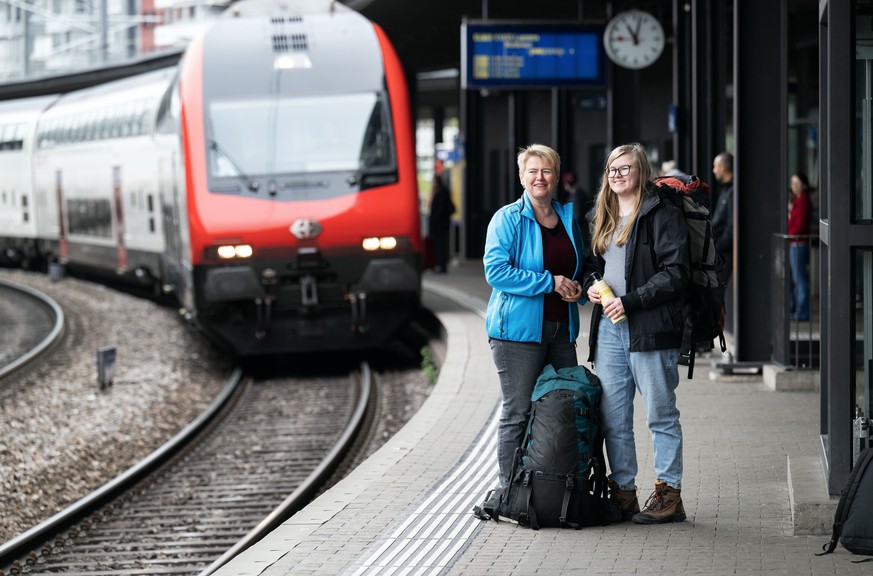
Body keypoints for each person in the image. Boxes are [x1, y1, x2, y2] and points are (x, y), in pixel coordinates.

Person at [581, 142, 690, 524]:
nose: (617, 175)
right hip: (610, 331)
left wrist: (631, 302)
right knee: (613, 416)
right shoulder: (603, 213)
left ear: (641, 171)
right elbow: (591, 265)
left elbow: (677, 274)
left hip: (650, 328)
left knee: (660, 413)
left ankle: (669, 495)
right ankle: (623, 491)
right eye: (612, 169)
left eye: (625, 168)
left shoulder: (662, 211)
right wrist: (592, 284)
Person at [483, 143, 587, 488]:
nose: (539, 177)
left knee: (564, 406)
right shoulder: (507, 218)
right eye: (532, 171)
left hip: (561, 329)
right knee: (518, 412)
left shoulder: (570, 217)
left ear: (556, 176)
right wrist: (549, 282)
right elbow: (496, 272)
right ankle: (508, 488)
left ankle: (554, 484)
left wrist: (579, 287)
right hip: (517, 333)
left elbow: (582, 266)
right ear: (521, 177)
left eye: (546, 171)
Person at [788, 172, 812, 321]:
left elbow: (799, 226)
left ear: (804, 185)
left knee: (800, 280)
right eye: (792, 184)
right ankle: (799, 309)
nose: (794, 187)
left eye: (797, 183)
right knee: (798, 279)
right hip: (795, 243)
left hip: (799, 244)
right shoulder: (798, 201)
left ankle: (802, 312)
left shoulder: (803, 201)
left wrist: (790, 230)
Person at [711, 151, 734, 284]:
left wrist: (718, 248)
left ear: (723, 167)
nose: (714, 171)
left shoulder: (732, 191)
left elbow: (731, 226)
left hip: (724, 252)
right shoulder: (726, 190)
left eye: (716, 166)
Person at [427, 173, 455, 273]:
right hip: (442, 224)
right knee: (441, 246)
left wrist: (433, 220)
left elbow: (439, 210)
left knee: (440, 246)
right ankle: (441, 265)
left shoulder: (440, 193)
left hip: (440, 225)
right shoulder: (443, 192)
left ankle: (441, 266)